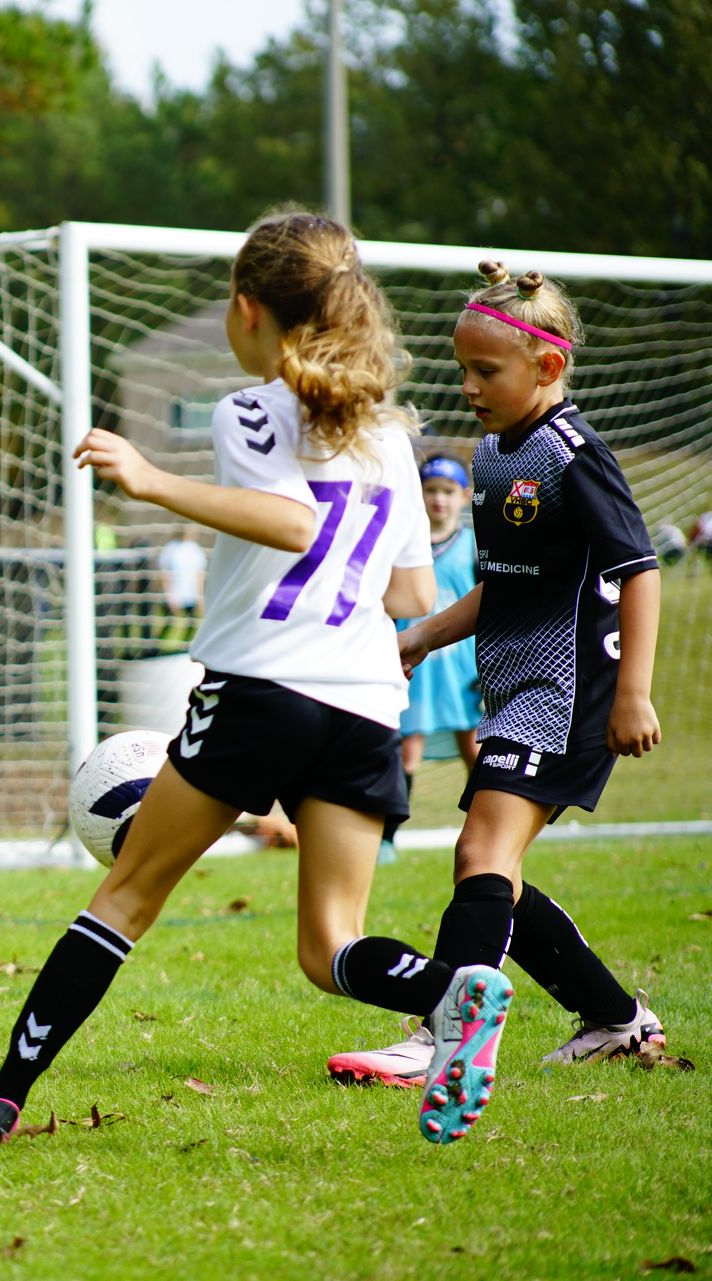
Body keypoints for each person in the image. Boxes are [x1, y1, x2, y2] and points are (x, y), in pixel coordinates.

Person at [0, 210, 503, 1146]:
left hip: (262, 688)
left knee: (125, 895)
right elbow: (413, 586)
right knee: (331, 946)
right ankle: (450, 994)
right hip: (361, 706)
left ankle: (3, 1094)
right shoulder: (391, 430)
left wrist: (151, 479)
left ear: (247, 308)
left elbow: (290, 522)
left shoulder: (250, 408)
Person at [326, 263, 665, 1120]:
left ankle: (437, 1031)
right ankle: (616, 1017)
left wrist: (635, 693)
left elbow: (641, 570)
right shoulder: (498, 454)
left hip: (574, 691)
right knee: (490, 867)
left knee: (481, 854)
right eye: (464, 369)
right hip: (516, 688)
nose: (470, 387)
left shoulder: (570, 453)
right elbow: (504, 583)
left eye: (489, 371)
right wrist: (419, 639)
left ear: (547, 369)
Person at [378, 454, 481, 863]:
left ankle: (486, 832)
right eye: (431, 490)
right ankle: (388, 836)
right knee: (408, 750)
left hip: (464, 671)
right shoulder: (403, 542)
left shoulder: (476, 545)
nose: (439, 499)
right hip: (415, 668)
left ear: (465, 496)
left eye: (448, 491)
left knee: (475, 750)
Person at [155, 526, 208, 647]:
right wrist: (170, 595)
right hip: (175, 593)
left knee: (192, 622)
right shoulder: (171, 548)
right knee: (169, 622)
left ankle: (185, 646)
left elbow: (199, 575)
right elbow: (165, 574)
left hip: (190, 594)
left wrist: (200, 596)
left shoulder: (195, 549)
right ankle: (156, 647)